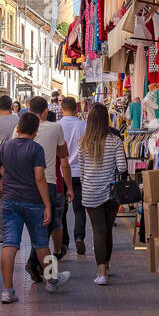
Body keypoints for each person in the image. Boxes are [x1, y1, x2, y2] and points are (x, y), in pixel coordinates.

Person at [0, 109, 70, 303]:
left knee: (10, 244)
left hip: (10, 201)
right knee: (40, 243)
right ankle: (52, 279)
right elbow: (39, 177)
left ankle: (7, 290)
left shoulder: (6, 147)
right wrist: (47, 204)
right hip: (33, 202)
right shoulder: (36, 149)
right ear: (35, 131)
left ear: (18, 128)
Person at [75, 102, 127, 285]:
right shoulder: (115, 141)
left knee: (98, 230)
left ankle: (101, 272)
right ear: (106, 120)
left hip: (90, 192)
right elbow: (122, 167)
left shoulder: (83, 143)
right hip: (111, 193)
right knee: (107, 230)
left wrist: (88, 184)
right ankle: (107, 266)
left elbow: (81, 172)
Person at [25, 95, 72, 281]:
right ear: (45, 111)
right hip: (49, 184)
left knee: (13, 240)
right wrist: (69, 187)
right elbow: (64, 159)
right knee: (46, 227)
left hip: (23, 187)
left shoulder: (18, 130)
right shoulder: (55, 127)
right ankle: (49, 274)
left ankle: (8, 287)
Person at [58, 95, 87, 255]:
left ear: (62, 109)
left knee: (62, 209)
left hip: (63, 172)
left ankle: (63, 241)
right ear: (76, 109)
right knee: (79, 208)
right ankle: (79, 237)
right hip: (80, 171)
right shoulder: (84, 125)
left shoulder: (57, 126)